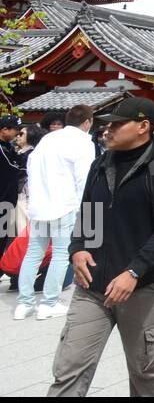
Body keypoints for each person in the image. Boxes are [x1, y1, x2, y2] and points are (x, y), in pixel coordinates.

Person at [49, 97, 154, 397]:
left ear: (143, 126)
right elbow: (88, 212)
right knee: (68, 370)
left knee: (146, 373)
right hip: (92, 284)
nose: (106, 130)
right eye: (106, 124)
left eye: (116, 124)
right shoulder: (100, 164)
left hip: (142, 287)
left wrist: (135, 271)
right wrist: (78, 248)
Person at [15, 104, 96, 321]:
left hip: (39, 204)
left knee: (33, 253)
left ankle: (24, 303)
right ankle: (49, 303)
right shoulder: (82, 142)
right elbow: (84, 177)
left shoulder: (48, 139)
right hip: (65, 204)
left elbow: (31, 167)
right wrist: (83, 207)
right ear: (87, 122)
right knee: (61, 253)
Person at [0, 114, 22, 290]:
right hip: (2, 202)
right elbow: (12, 168)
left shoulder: (8, 146)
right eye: (15, 129)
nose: (17, 133)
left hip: (7, 201)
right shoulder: (2, 148)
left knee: (3, 237)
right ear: (4, 130)